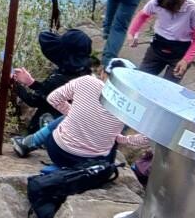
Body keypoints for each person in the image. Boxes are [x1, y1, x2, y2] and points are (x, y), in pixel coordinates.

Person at [12, 62, 148, 166]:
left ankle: (29, 142)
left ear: (103, 74)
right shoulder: (132, 105)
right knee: (106, 135)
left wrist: (76, 114)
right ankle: (32, 140)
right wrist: (124, 139)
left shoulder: (87, 81)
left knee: (66, 118)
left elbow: (53, 99)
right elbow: (148, 138)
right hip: (95, 162)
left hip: (59, 153)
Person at [10, 29, 92, 131]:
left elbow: (34, 101)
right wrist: (31, 82)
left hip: (49, 127)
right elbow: (49, 91)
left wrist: (14, 83)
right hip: (67, 124)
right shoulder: (83, 71)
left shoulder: (59, 79)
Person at [126, 0, 195, 81]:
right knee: (141, 79)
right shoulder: (156, 2)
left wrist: (186, 60)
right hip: (158, 46)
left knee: (169, 88)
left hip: (180, 51)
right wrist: (132, 33)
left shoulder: (194, 9)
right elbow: (142, 15)